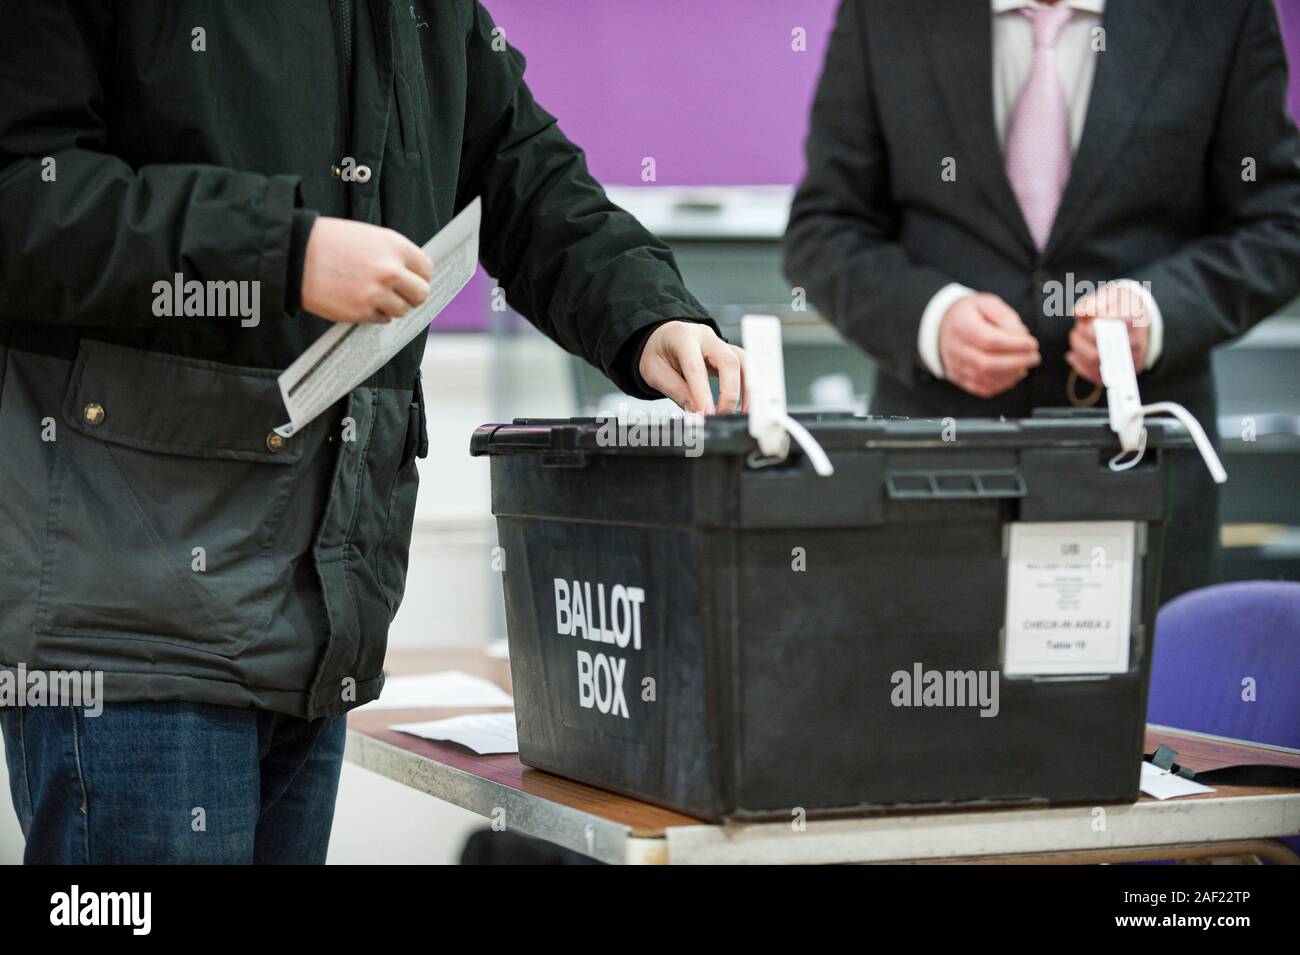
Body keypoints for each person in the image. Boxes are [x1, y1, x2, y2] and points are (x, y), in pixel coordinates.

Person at [0, 0, 742, 864]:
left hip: (319, 619)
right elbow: (23, 191)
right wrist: (279, 249)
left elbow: (521, 173)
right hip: (130, 619)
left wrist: (649, 318)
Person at [784, 0, 1300, 603]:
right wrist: (932, 320)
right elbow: (823, 230)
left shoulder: (1222, 14)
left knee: (1153, 697)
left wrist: (1160, 313)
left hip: (1140, 479)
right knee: (933, 691)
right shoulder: (886, 13)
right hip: (935, 477)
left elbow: (1278, 225)